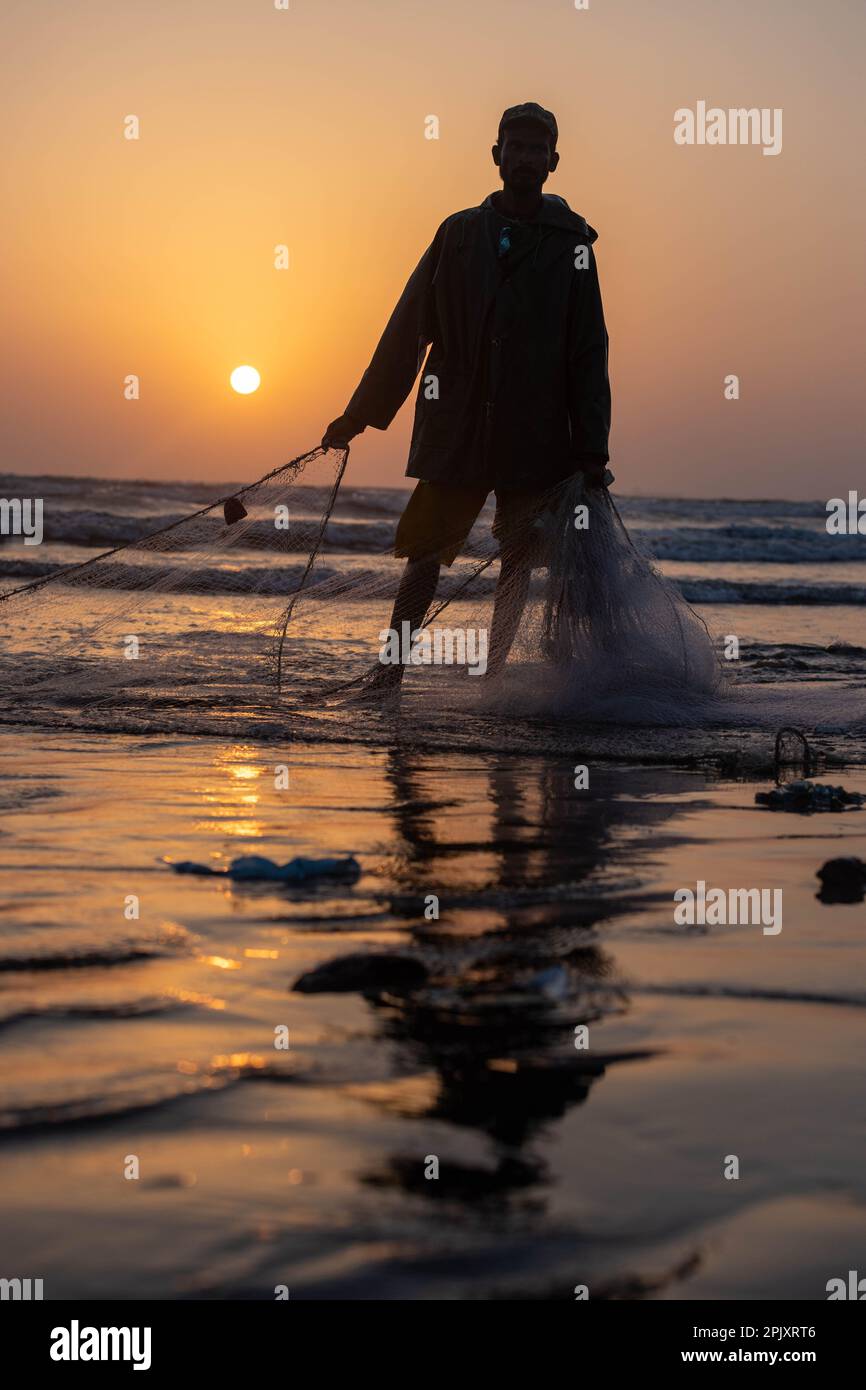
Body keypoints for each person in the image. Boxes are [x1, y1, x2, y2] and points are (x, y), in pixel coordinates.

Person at [323, 102, 611, 687]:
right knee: (424, 553)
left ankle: (494, 673)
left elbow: (589, 349)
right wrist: (359, 415)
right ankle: (391, 668)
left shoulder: (573, 245)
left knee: (516, 560)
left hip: (537, 430)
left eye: (538, 149)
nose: (526, 157)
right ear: (496, 155)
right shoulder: (457, 235)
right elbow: (408, 328)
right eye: (516, 146)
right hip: (455, 426)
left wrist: (592, 450)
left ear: (554, 161)